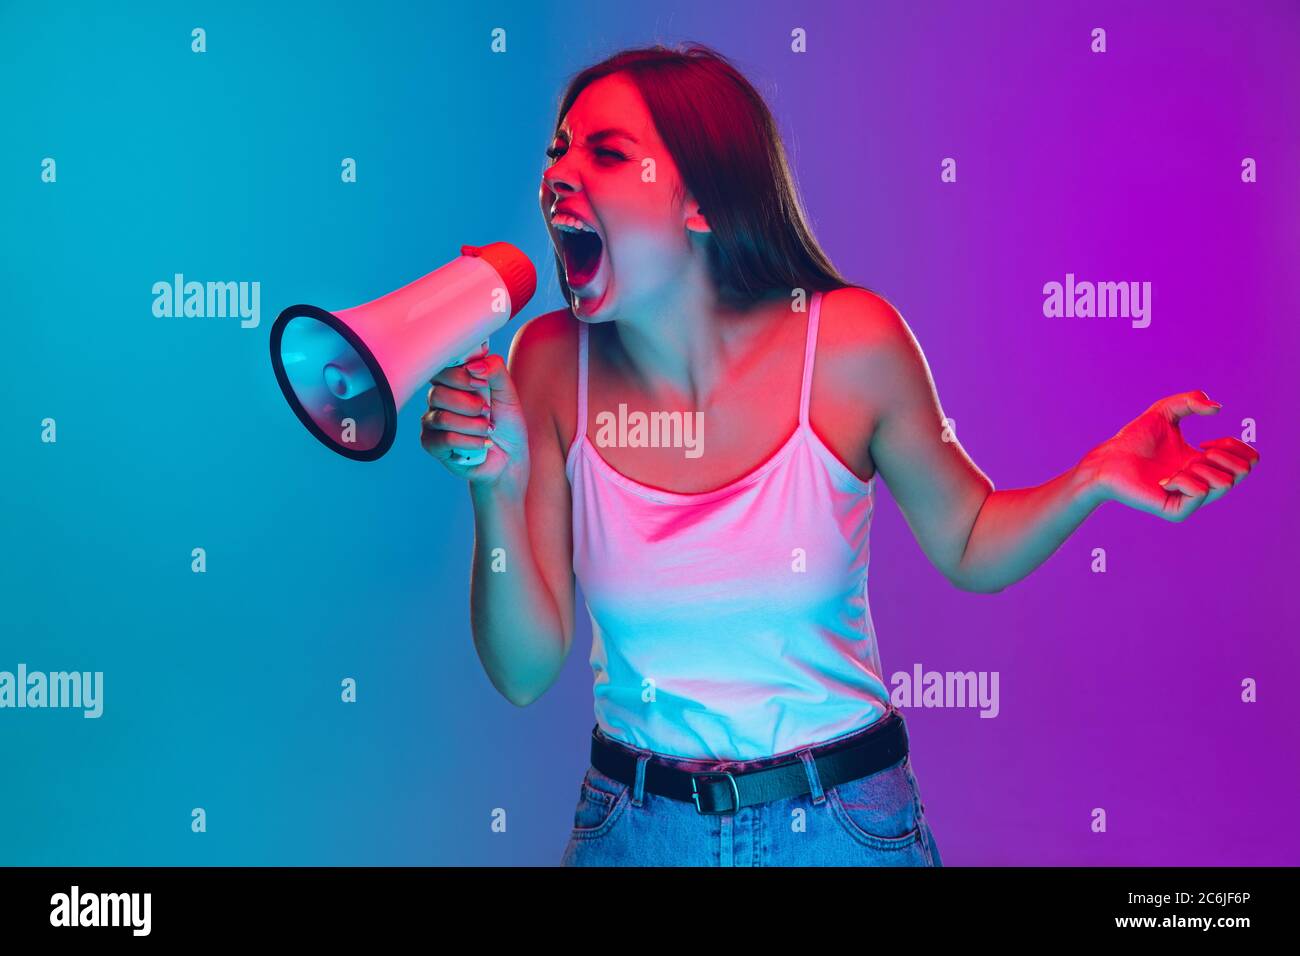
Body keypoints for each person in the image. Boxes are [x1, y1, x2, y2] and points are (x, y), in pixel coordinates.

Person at [418, 43, 1260, 866]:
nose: (558, 173)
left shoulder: (852, 341)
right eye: (557, 150)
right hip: (636, 831)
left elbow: (968, 540)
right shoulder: (549, 362)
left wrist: (1092, 478)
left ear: (701, 203)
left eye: (606, 153)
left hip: (840, 828)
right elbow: (525, 672)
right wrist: (495, 485)